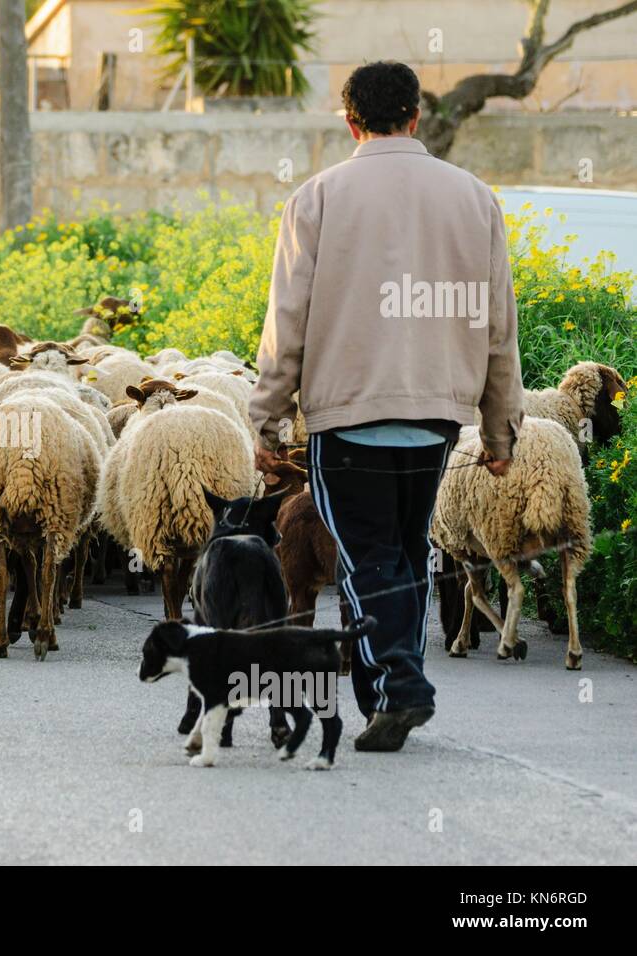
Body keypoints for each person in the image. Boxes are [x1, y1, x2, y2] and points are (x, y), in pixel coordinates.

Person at [248, 61, 524, 753]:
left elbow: (289, 321)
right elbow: (499, 325)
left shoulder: (317, 198)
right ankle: (385, 701)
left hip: (348, 414)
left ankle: (401, 683)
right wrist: (500, 431)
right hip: (434, 416)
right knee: (403, 552)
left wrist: (267, 419)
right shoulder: (473, 198)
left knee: (368, 556)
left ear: (350, 122)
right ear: (417, 116)